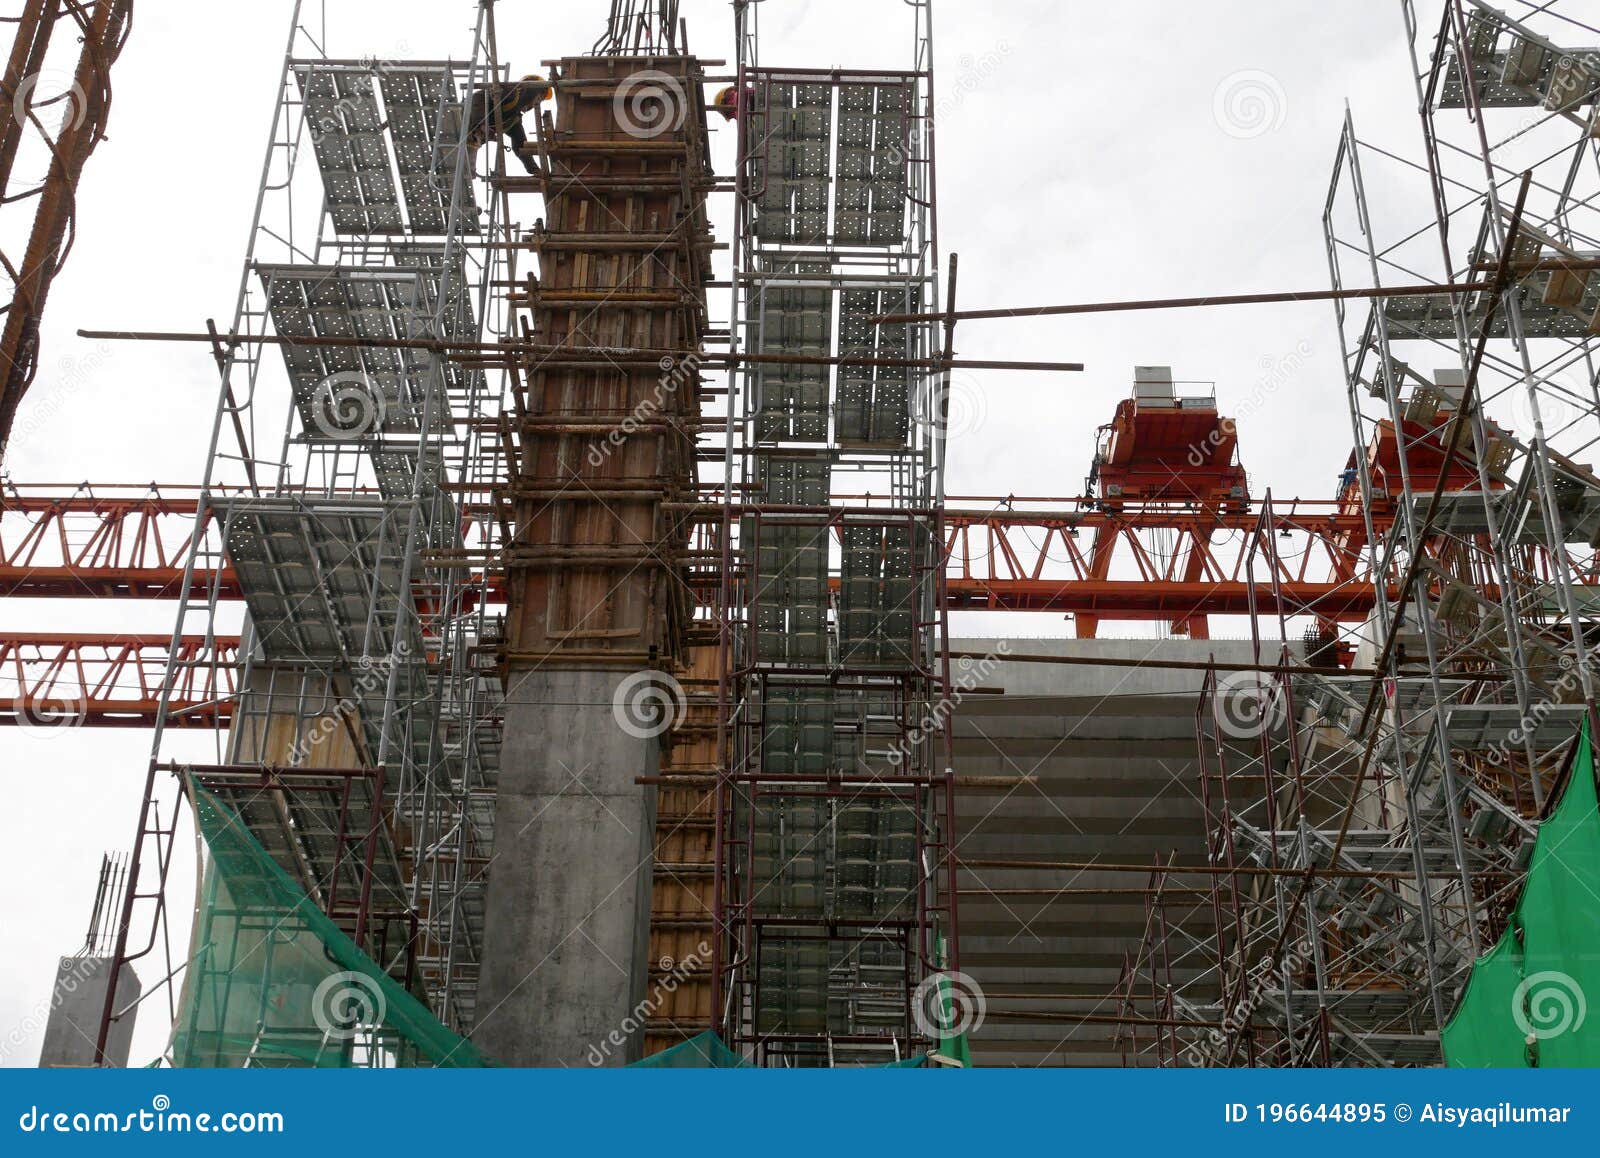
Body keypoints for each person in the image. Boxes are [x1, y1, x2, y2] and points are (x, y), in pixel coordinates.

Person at [465, 75, 551, 174]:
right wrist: (481, 124)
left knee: (467, 167)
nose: (537, 103)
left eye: (541, 100)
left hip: (469, 138)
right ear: (532, 91)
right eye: (539, 97)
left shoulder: (514, 119)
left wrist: (534, 170)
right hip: (465, 118)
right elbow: (477, 97)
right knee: (476, 136)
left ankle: (468, 168)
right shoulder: (512, 93)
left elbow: (520, 146)